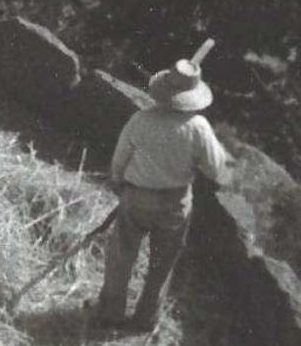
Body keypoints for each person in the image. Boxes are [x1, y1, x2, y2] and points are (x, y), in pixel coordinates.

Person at [95, 55, 231, 331]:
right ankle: (145, 319)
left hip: (136, 198)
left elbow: (119, 160)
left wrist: (119, 183)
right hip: (174, 204)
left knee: (121, 256)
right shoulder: (198, 128)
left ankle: (111, 313)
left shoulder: (140, 119)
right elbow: (218, 171)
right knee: (162, 265)